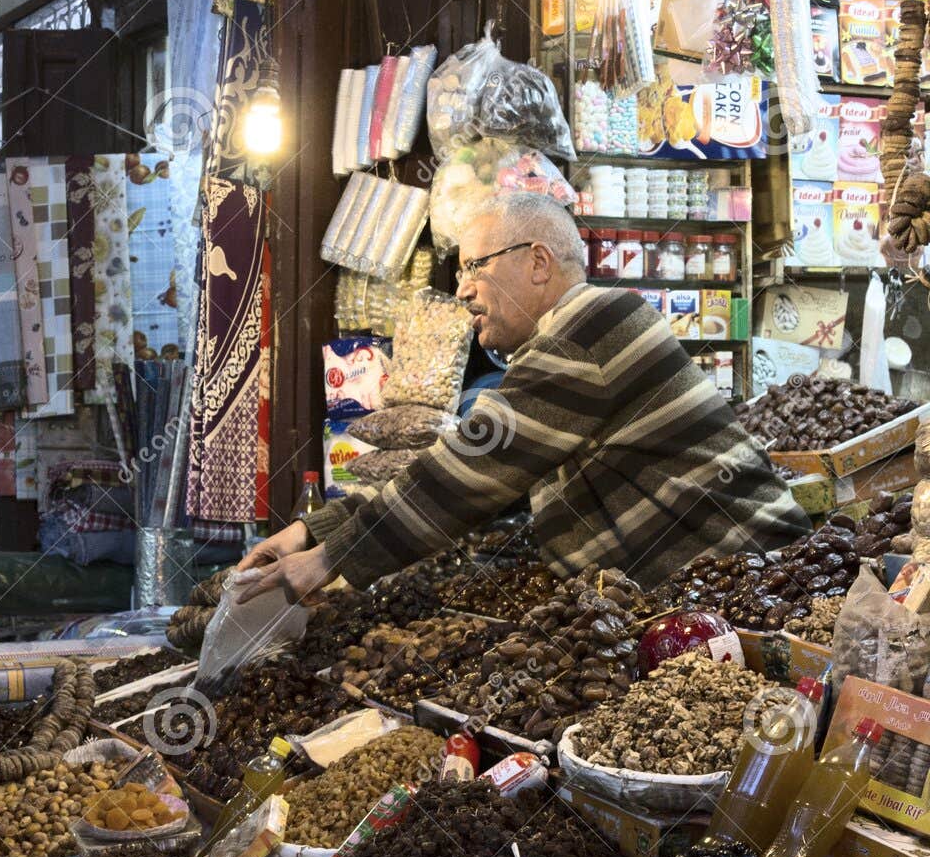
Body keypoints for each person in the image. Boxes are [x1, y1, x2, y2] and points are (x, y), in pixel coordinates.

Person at [239, 193, 808, 601]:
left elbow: (471, 472)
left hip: (762, 588)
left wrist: (330, 557)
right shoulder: (560, 344)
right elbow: (470, 467)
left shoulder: (594, 324)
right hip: (722, 596)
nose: (462, 289)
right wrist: (313, 530)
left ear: (538, 262)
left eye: (474, 268)